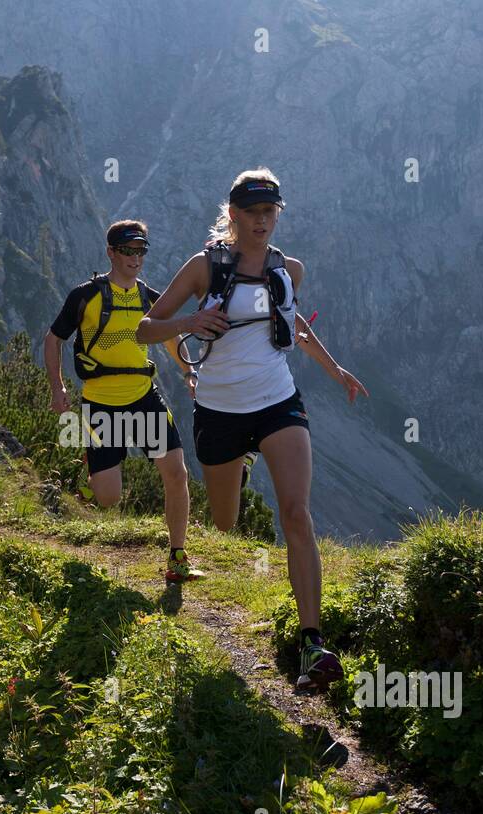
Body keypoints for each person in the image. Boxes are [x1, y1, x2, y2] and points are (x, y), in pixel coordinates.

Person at [136, 169, 369, 689]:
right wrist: (189, 324)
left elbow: (294, 325)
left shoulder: (290, 270)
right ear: (234, 216)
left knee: (296, 513)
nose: (264, 223)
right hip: (218, 409)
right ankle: (239, 464)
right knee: (224, 523)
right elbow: (145, 328)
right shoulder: (204, 267)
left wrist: (336, 370)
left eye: (272, 214)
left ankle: (312, 644)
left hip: (276, 402)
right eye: (254, 214)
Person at [44, 220, 204, 583]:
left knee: (176, 473)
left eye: (141, 251)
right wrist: (58, 388)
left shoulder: (149, 296)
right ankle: (92, 471)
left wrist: (187, 372)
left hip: (143, 397)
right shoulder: (85, 295)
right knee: (108, 498)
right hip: (100, 404)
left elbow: (166, 335)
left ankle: (177, 558)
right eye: (129, 250)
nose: (136, 258)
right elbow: (53, 339)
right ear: (111, 252)